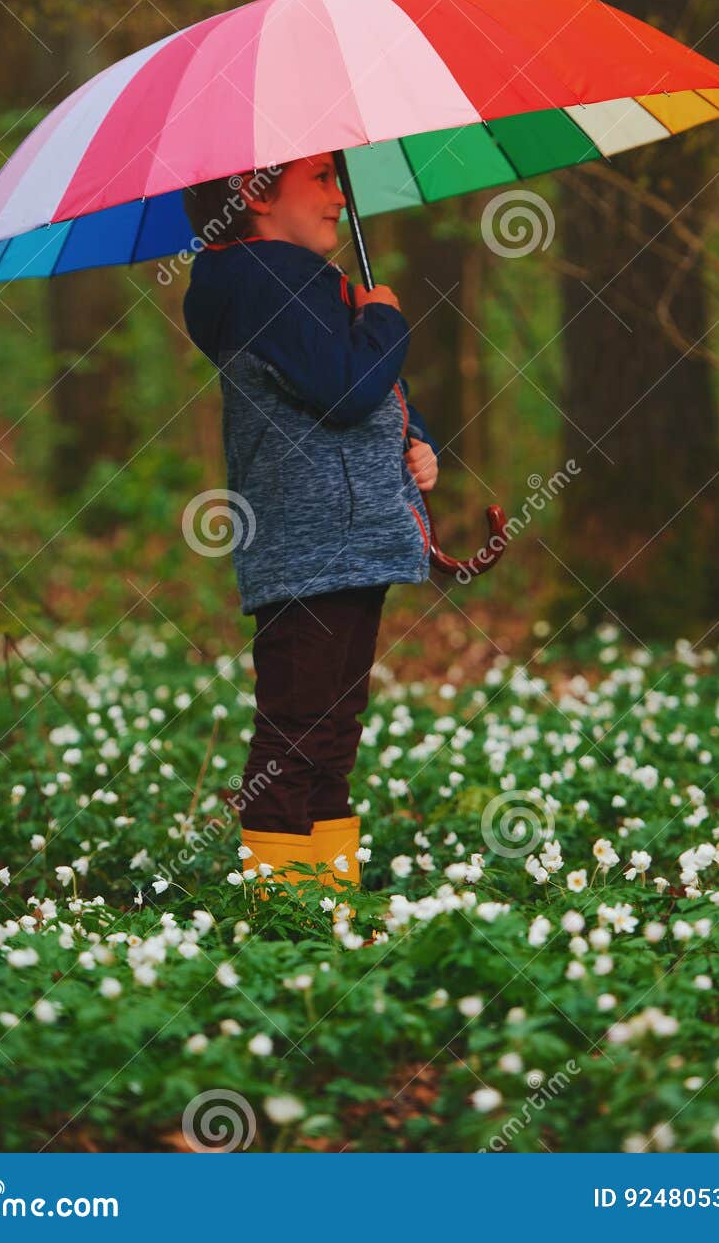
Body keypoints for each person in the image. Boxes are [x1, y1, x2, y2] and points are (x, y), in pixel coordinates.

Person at [181, 151, 440, 898]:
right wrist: (384, 316)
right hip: (312, 547)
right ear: (255, 191)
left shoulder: (293, 283)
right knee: (296, 737)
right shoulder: (260, 281)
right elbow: (344, 387)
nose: (338, 195)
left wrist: (417, 439)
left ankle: (323, 899)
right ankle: (283, 919)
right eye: (321, 178)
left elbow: (367, 390)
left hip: (348, 546)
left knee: (330, 735)